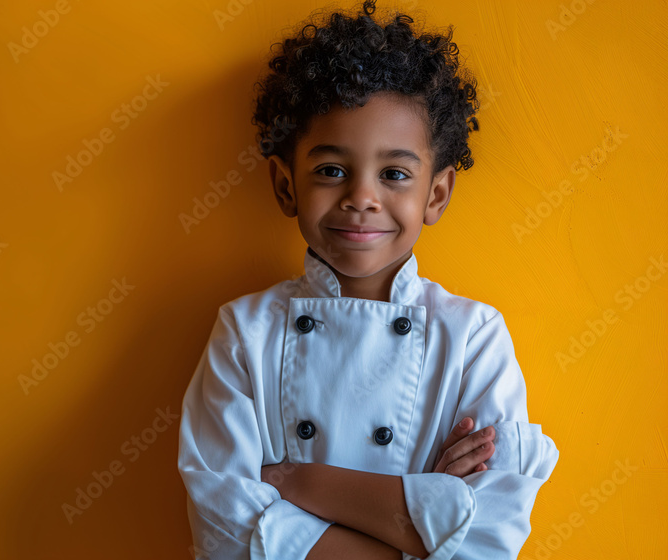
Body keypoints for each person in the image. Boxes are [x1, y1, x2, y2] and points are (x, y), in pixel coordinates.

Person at [176, 2, 559, 559]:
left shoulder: (474, 336)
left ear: (436, 194)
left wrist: (298, 483)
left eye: (394, 174)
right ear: (286, 187)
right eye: (331, 170)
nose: (361, 196)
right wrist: (421, 518)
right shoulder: (244, 332)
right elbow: (223, 532)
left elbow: (489, 539)